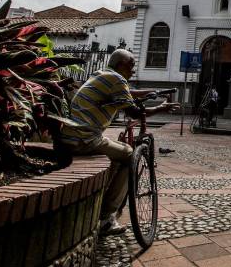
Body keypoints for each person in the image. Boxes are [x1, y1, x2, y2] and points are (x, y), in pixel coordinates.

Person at [59, 49, 180, 235]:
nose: (133, 70)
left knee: (116, 149)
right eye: (131, 65)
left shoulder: (102, 74)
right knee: (129, 155)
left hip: (69, 135)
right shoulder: (117, 79)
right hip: (84, 139)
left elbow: (128, 92)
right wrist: (160, 108)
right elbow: (134, 112)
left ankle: (109, 193)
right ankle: (106, 218)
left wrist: (151, 91)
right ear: (122, 65)